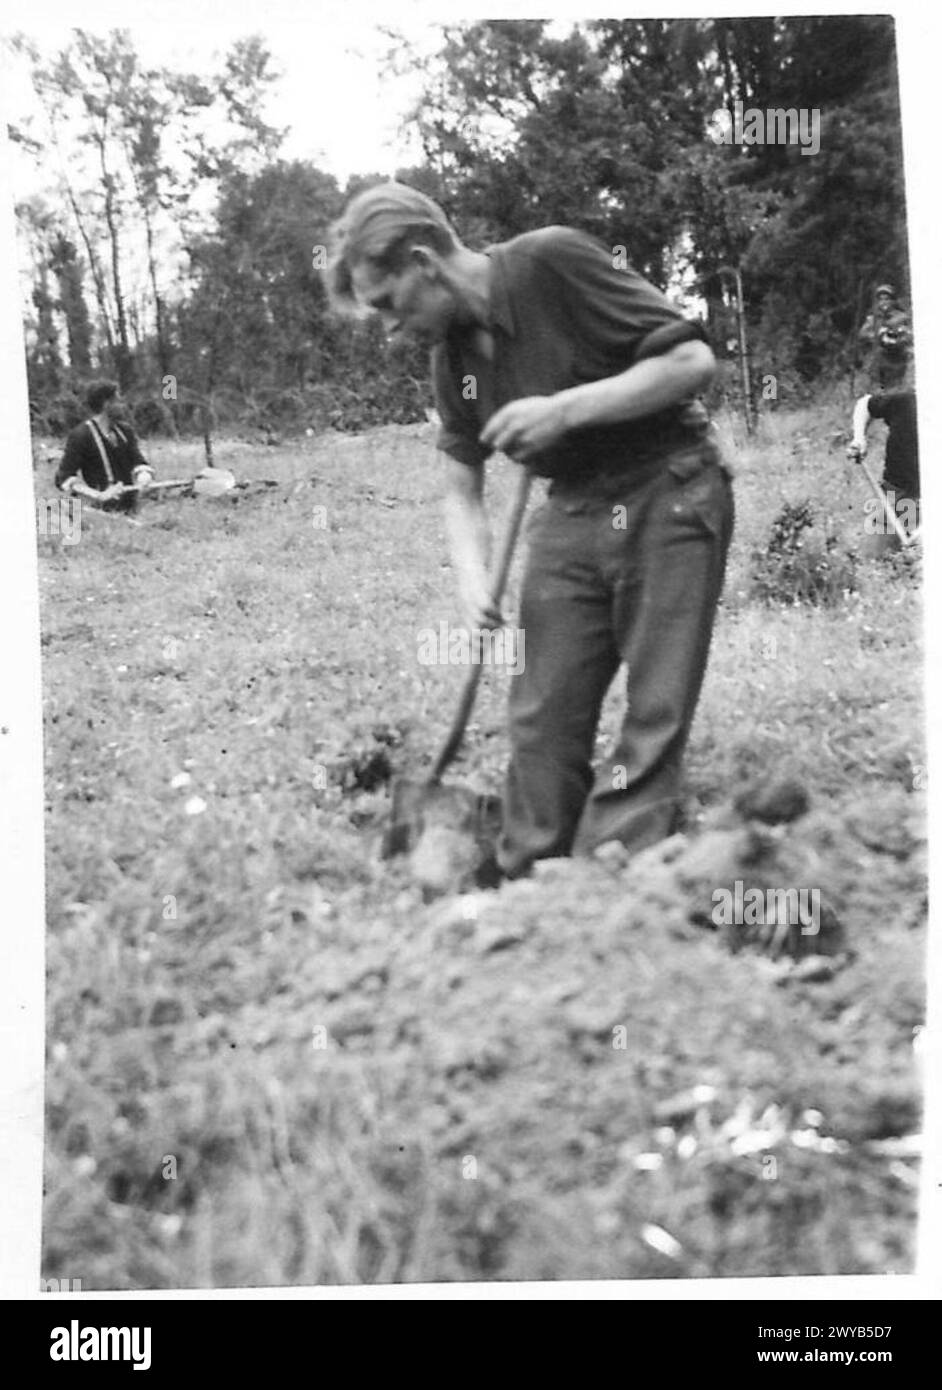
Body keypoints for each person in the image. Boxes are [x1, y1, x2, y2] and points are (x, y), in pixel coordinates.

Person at [327, 182, 734, 879]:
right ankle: (528, 873)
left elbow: (691, 363)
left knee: (655, 705)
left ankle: (608, 871)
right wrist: (471, 578)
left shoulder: (553, 263)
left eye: (390, 305)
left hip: (671, 486)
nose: (392, 331)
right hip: (573, 505)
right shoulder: (451, 360)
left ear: (425, 261)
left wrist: (567, 409)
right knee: (541, 709)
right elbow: (461, 486)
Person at [55, 381, 155, 513]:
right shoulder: (81, 435)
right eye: (118, 401)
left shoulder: (125, 431)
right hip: (100, 511)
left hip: (131, 508)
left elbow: (138, 461)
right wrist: (99, 495)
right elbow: (64, 477)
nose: (123, 406)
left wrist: (144, 476)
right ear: (106, 404)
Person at [849, 387, 920, 535]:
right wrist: (859, 439)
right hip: (895, 494)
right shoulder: (906, 401)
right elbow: (865, 404)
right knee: (885, 553)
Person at [858, 284, 912, 389]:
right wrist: (878, 335)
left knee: (896, 389)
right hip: (877, 363)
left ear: (893, 301)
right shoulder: (872, 319)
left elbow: (909, 336)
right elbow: (862, 335)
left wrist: (896, 339)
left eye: (887, 299)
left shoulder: (902, 317)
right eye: (880, 300)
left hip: (897, 361)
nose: (884, 302)